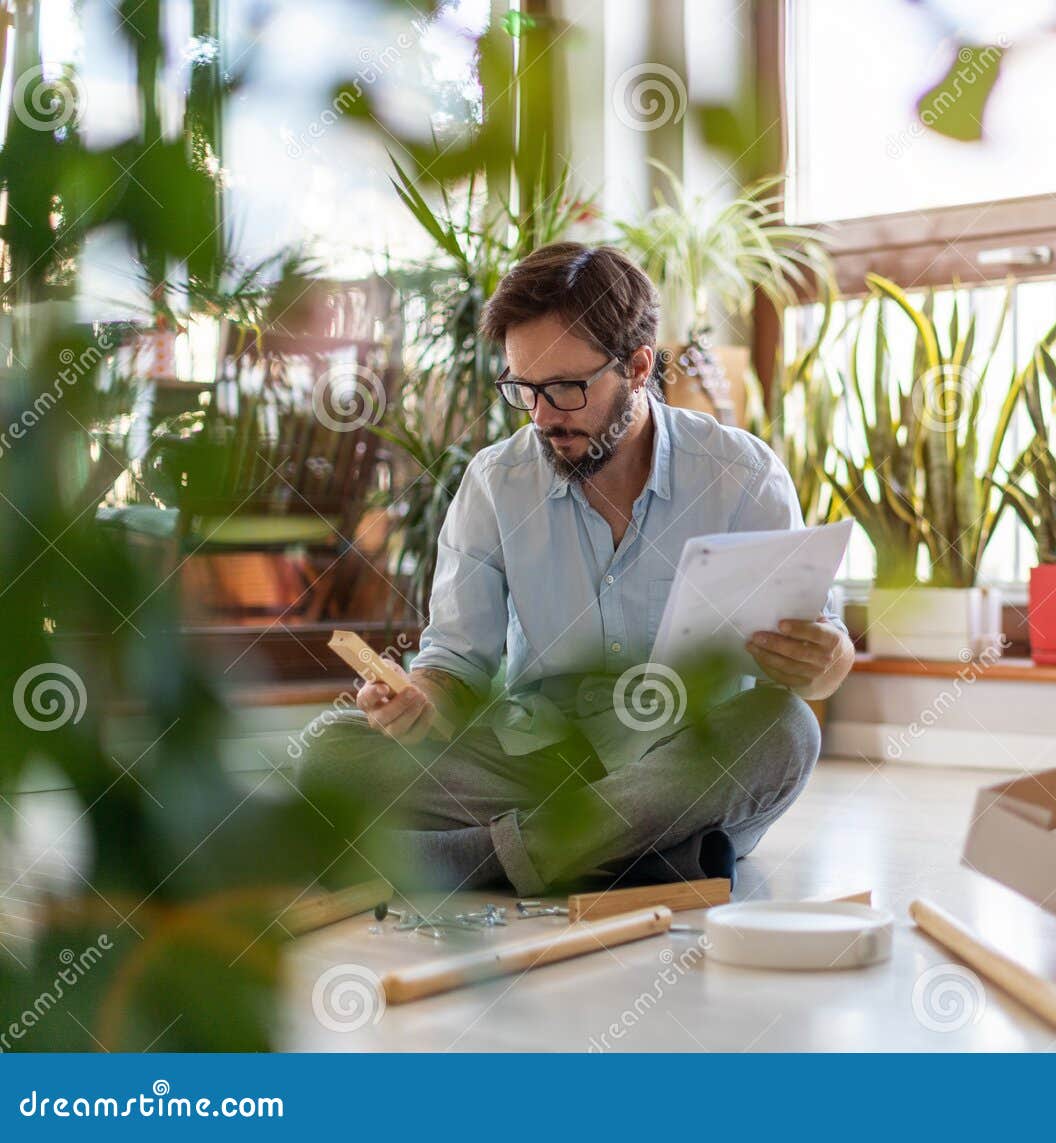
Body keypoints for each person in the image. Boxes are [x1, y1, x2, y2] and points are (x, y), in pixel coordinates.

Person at [295, 243, 854, 894]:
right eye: (522, 389)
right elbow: (453, 662)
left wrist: (825, 659)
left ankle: (481, 858)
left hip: (682, 759)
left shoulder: (741, 475)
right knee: (329, 751)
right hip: (535, 764)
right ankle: (652, 854)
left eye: (565, 388)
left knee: (787, 730)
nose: (541, 416)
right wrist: (418, 701)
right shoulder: (494, 482)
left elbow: (818, 650)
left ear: (638, 366)